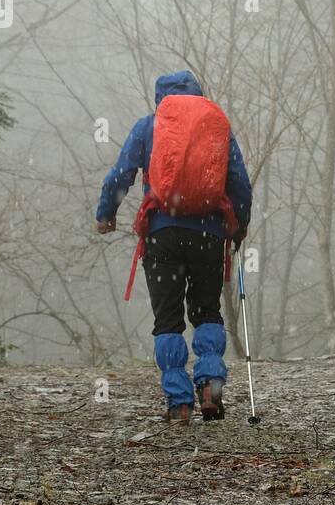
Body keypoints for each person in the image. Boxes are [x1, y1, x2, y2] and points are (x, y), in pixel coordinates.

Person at [94, 70, 252, 422]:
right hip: (208, 235)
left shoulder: (149, 126)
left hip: (162, 235)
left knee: (168, 320)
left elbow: (121, 175)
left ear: (159, 99)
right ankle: (211, 385)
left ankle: (179, 401)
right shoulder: (215, 127)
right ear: (198, 95)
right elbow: (239, 181)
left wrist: (106, 214)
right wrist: (238, 226)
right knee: (207, 311)